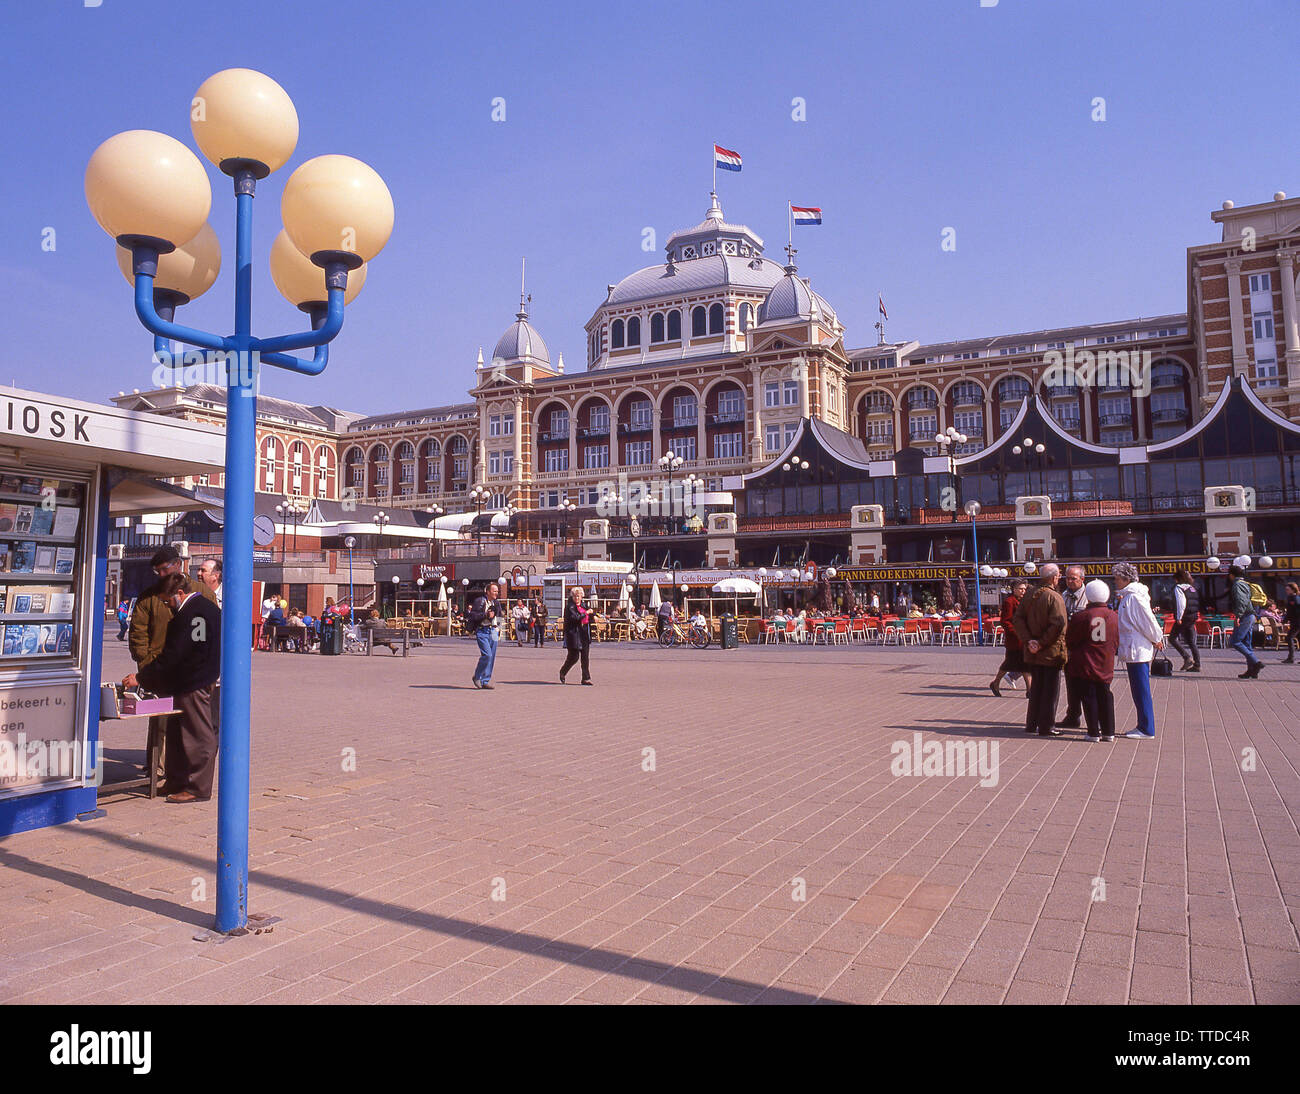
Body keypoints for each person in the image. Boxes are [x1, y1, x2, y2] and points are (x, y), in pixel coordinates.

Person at [122, 572, 222, 803]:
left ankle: (198, 787)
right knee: (177, 733)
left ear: (179, 593)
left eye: (167, 601)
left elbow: (179, 655)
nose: (167, 606)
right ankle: (176, 780)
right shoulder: (201, 609)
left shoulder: (195, 613)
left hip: (194, 682)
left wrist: (142, 678)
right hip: (186, 681)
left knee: (198, 735)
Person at [1012, 562, 1067, 737]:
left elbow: (1018, 619)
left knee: (1036, 688)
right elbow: (1058, 625)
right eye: (1058, 575)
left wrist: (1029, 642)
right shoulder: (1054, 597)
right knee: (1050, 690)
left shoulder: (1029, 594)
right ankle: (1047, 725)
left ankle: (1032, 723)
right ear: (1054, 577)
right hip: (1050, 651)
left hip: (1032, 651)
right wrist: (1041, 643)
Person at [1112, 561, 1166, 739]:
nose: (1115, 581)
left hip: (1137, 649)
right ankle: (1144, 725)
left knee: (1141, 689)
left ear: (1126, 578)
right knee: (1138, 689)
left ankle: (1146, 727)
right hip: (1134, 648)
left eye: (1117, 578)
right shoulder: (1129, 596)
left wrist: (1156, 638)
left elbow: (1147, 620)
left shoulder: (1133, 597)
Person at [1064, 579, 1120, 741]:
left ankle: (1093, 731)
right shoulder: (1113, 616)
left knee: (1089, 696)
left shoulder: (1081, 616)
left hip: (1086, 661)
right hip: (1106, 661)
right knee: (1105, 694)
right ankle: (1109, 731)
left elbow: (1071, 640)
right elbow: (1117, 639)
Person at [1056, 566, 1089, 728]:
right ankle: (1073, 715)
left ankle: (1091, 718)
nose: (1069, 581)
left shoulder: (1089, 596)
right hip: (1068, 646)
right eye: (1067, 578)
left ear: (1082, 579)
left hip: (1084, 647)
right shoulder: (1064, 595)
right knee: (1071, 683)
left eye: (1073, 578)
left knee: (1086, 684)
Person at [989, 578, 1029, 697]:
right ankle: (996, 683)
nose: (1023, 591)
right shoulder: (1009, 602)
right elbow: (1006, 621)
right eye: (1020, 589)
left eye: (1024, 589)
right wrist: (1016, 633)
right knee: (1009, 663)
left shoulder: (1025, 601)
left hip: (1024, 638)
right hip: (1014, 639)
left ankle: (1030, 689)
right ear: (1014, 589)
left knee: (1025, 663)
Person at [1228, 564, 1263, 679]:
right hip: (1250, 615)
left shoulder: (1237, 585)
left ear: (1231, 575)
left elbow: (1241, 601)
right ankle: (1251, 670)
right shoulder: (1246, 584)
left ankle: (1256, 662)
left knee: (1235, 641)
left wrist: (1238, 616)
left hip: (1245, 616)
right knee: (1247, 643)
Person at [466, 582, 500, 688]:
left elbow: (499, 615)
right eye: (494, 591)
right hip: (482, 630)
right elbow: (472, 615)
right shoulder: (480, 601)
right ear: (488, 592)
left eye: (497, 591)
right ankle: (477, 676)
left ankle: (485, 681)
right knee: (487, 655)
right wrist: (485, 614)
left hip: (493, 631)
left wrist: (499, 629)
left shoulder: (496, 603)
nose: (496, 593)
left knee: (492, 657)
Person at [1168, 569, 1201, 672]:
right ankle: (1197, 665)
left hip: (1184, 617)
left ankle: (1187, 657)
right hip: (1193, 616)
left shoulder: (1179, 588)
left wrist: (1179, 617)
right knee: (1191, 641)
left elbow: (1180, 603)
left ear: (1178, 579)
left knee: (1172, 638)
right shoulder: (1192, 588)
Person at [560, 585, 593, 685]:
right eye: (575, 596)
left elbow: (589, 617)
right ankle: (563, 672)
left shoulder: (584, 605)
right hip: (573, 634)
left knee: (585, 657)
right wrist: (586, 613)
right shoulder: (570, 607)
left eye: (578, 596)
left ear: (582, 596)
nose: (577, 598)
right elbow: (575, 617)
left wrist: (592, 616)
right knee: (573, 657)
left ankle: (585, 678)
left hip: (584, 633)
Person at [1283, 582, 1300, 664]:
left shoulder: (1293, 598)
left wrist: (1285, 620)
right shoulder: (1296, 597)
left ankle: (1291, 658)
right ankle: (1291, 657)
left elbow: (1291, 611)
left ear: (1293, 589)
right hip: (1296, 621)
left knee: (1289, 637)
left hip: (1297, 622)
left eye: (1287, 589)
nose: (1286, 591)